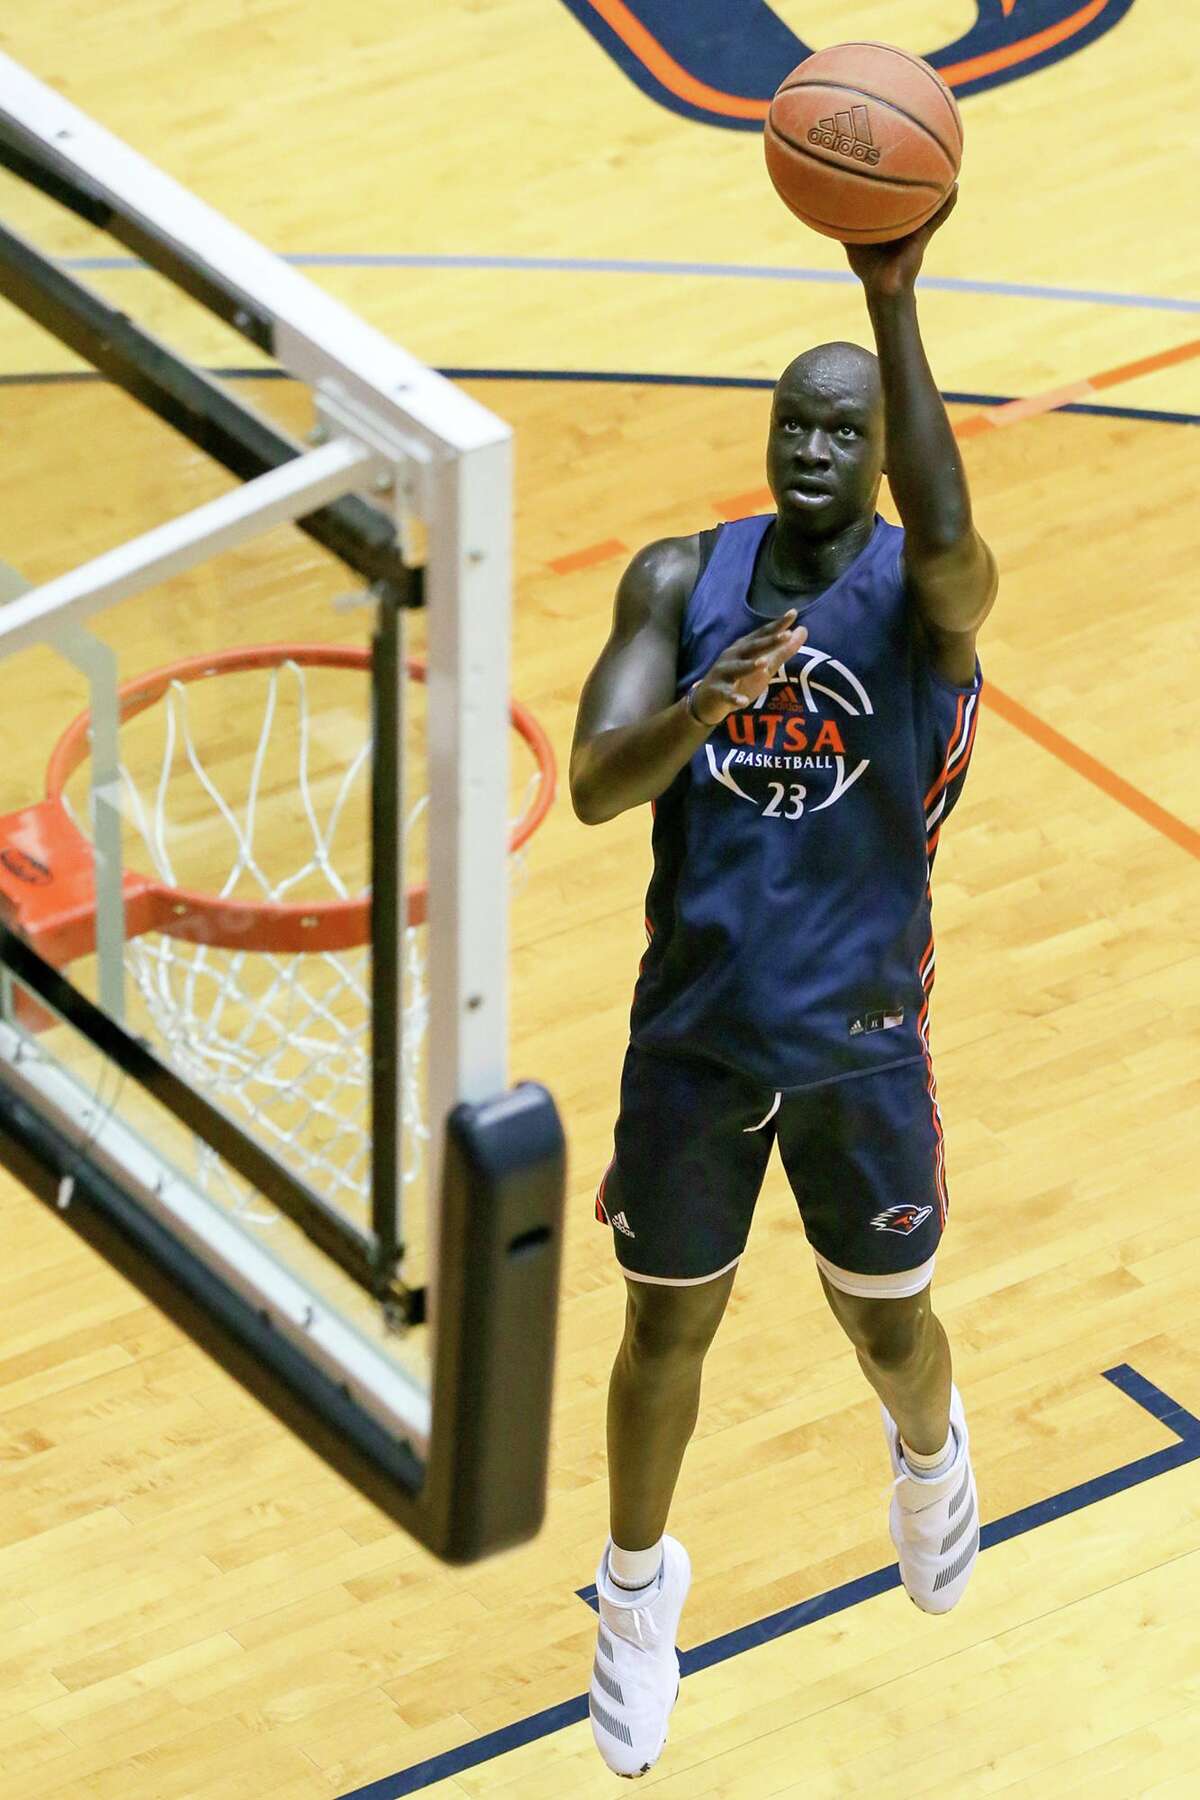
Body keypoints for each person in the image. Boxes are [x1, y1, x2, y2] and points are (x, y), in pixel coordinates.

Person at [570, 192, 997, 1780]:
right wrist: (705, 706)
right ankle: (634, 1601)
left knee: (888, 1334)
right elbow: (596, 784)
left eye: (844, 431)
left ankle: (931, 1459)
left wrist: (893, 300)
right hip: (693, 1035)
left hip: (858, 1043)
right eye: (794, 425)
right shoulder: (683, 576)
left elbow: (950, 541)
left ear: (885, 451)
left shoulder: (924, 601)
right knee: (662, 1333)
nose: (812, 450)